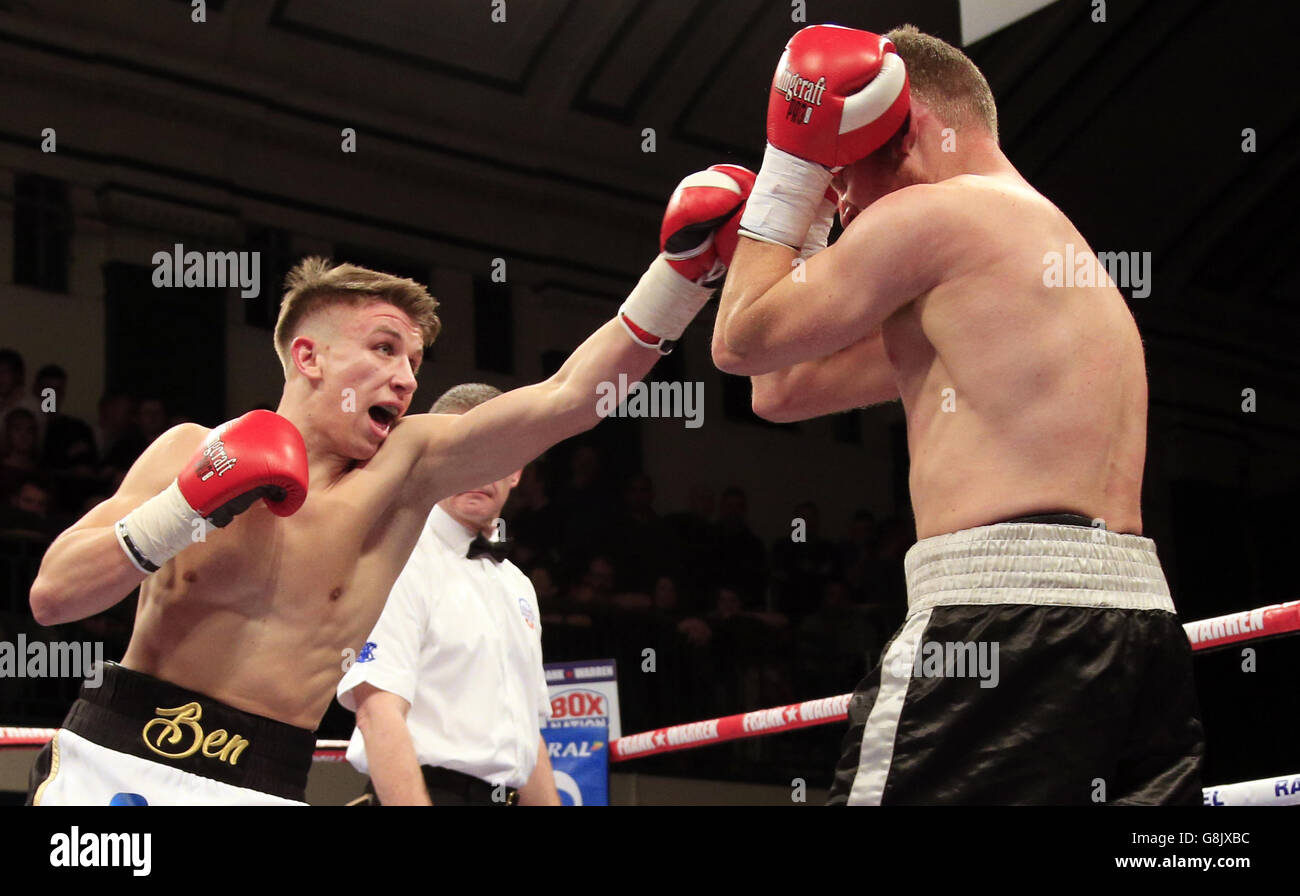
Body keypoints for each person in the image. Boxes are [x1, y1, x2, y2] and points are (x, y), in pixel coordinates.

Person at [25, 164, 752, 806]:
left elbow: (569, 398)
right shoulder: (191, 450)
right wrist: (186, 505)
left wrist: (681, 278)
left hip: (263, 784)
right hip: (114, 762)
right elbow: (54, 597)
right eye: (382, 348)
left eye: (413, 359)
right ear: (308, 356)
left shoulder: (405, 474)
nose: (405, 378)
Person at [713, 24, 1202, 804]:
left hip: (1000, 619)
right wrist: (813, 211)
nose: (841, 210)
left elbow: (737, 340)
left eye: (843, 180)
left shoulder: (934, 217)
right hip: (1138, 626)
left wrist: (791, 162)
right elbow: (781, 389)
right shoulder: (1039, 257)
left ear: (901, 129)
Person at [337, 383, 558, 806]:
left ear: (517, 470)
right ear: (435, 461)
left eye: (495, 453)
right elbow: (377, 712)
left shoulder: (518, 586)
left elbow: (527, 739)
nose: (478, 471)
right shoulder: (397, 560)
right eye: (464, 453)